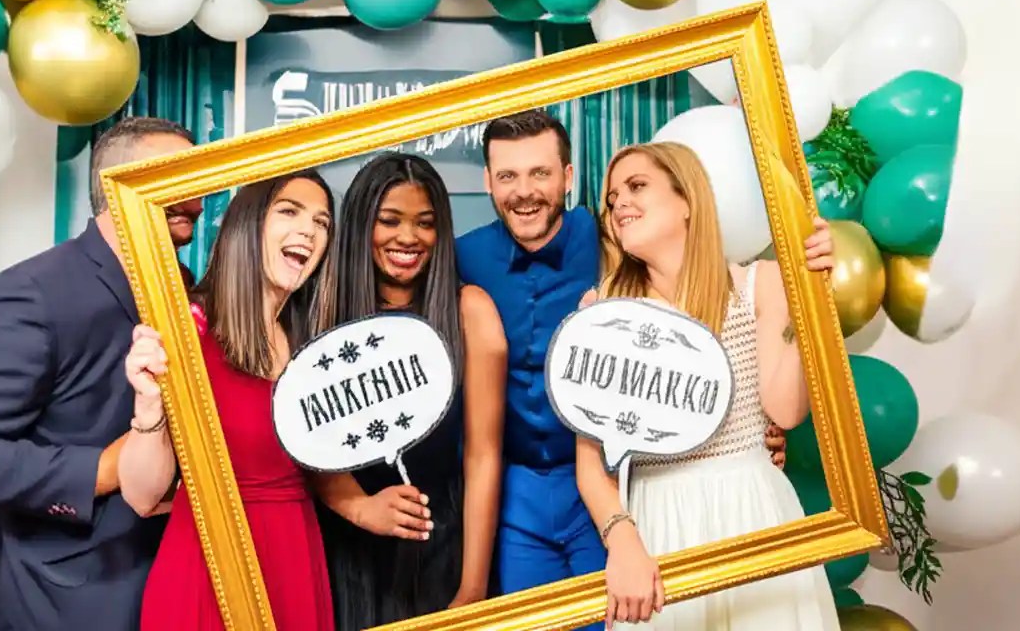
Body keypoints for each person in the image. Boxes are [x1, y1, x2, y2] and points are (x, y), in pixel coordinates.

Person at [454, 110, 786, 612]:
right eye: (507, 176)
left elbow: (695, 324)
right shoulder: (463, 257)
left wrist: (758, 425)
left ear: (568, 176)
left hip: (612, 485)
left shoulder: (617, 242)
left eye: (540, 173)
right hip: (517, 489)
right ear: (487, 182)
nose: (524, 192)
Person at [0, 117, 203, 631]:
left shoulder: (183, 287)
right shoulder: (32, 291)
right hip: (61, 595)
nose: (193, 196)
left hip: (165, 577)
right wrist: (111, 467)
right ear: (116, 187)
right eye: (174, 176)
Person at [575, 141, 839, 630]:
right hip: (657, 525)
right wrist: (623, 542)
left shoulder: (758, 285)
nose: (619, 204)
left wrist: (814, 295)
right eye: (611, 199)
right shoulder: (603, 313)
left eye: (636, 186)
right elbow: (590, 464)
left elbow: (785, 410)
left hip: (754, 512)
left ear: (687, 200)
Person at [118, 169, 338, 630]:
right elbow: (142, 496)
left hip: (296, 559)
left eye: (321, 222)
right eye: (289, 212)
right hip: (208, 567)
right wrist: (149, 405)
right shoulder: (189, 328)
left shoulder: (312, 343)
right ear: (247, 223)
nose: (308, 230)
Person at [311, 152, 507, 631]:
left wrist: (473, 589)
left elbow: (483, 456)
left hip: (441, 542)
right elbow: (306, 443)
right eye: (390, 220)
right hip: (347, 550)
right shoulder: (323, 309)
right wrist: (359, 508)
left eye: (425, 223)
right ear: (362, 223)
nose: (408, 237)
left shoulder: (469, 310)